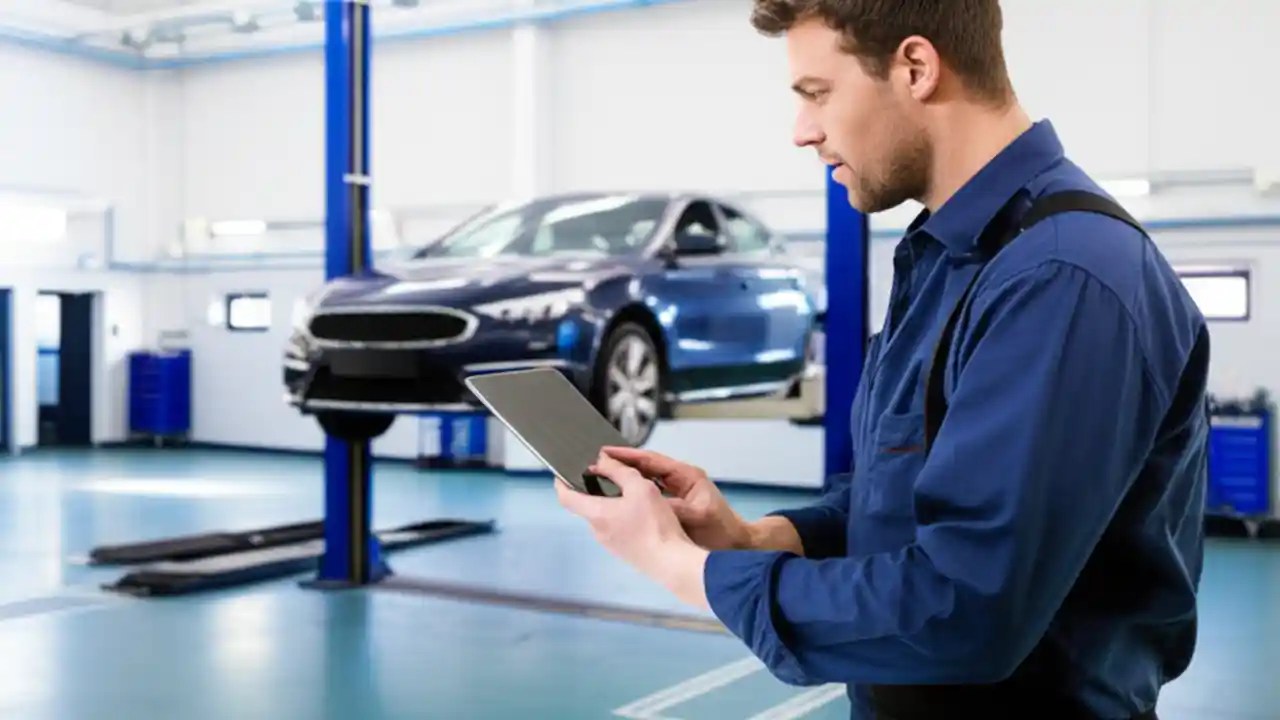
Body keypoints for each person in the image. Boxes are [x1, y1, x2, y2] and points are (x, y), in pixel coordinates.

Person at [555, 1, 1210, 718]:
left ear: (916, 68)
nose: (803, 131)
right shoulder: (947, 257)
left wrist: (686, 567)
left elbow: (964, 609)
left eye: (817, 93)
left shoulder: (1063, 276)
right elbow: (903, 496)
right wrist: (754, 537)